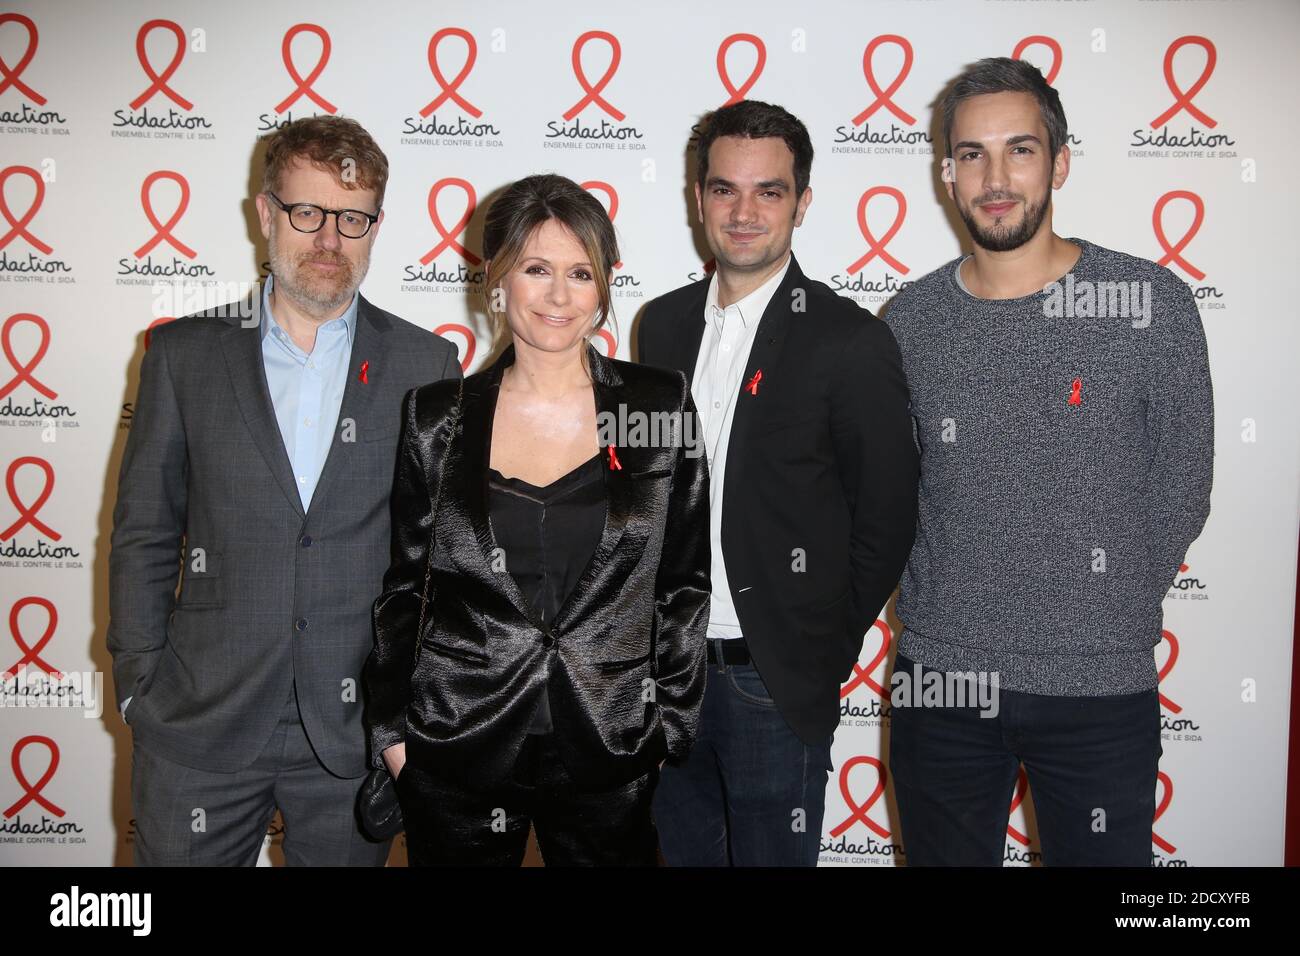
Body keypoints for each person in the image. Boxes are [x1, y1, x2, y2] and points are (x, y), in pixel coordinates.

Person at [884, 57, 1214, 866]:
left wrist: (1111, 611)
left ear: (1059, 161)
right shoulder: (909, 320)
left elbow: (1186, 479)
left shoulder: (1147, 301)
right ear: (947, 174)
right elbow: (891, 492)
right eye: (971, 154)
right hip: (943, 684)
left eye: (1020, 150)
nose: (995, 177)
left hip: (1100, 689)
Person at [107, 116, 460, 865]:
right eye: (307, 213)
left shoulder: (426, 365)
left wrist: (411, 707)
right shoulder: (182, 356)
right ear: (266, 214)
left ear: (375, 227)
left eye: (352, 218)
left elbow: (436, 555)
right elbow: (144, 530)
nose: (329, 238)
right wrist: (140, 681)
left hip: (353, 730)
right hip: (198, 718)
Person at [365, 173, 709, 866]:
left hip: (609, 744)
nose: (559, 296)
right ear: (497, 278)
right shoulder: (438, 417)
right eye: (536, 269)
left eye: (580, 273)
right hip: (457, 743)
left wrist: (668, 725)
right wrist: (393, 738)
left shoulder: (655, 404)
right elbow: (404, 588)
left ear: (604, 285)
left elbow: (683, 580)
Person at [638, 100, 919, 866]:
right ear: (699, 199)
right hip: (669, 672)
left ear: (801, 201)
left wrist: (818, 649)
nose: (744, 211)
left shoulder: (849, 339)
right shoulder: (659, 328)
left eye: (769, 191)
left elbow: (887, 519)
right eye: (725, 189)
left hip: (773, 682)